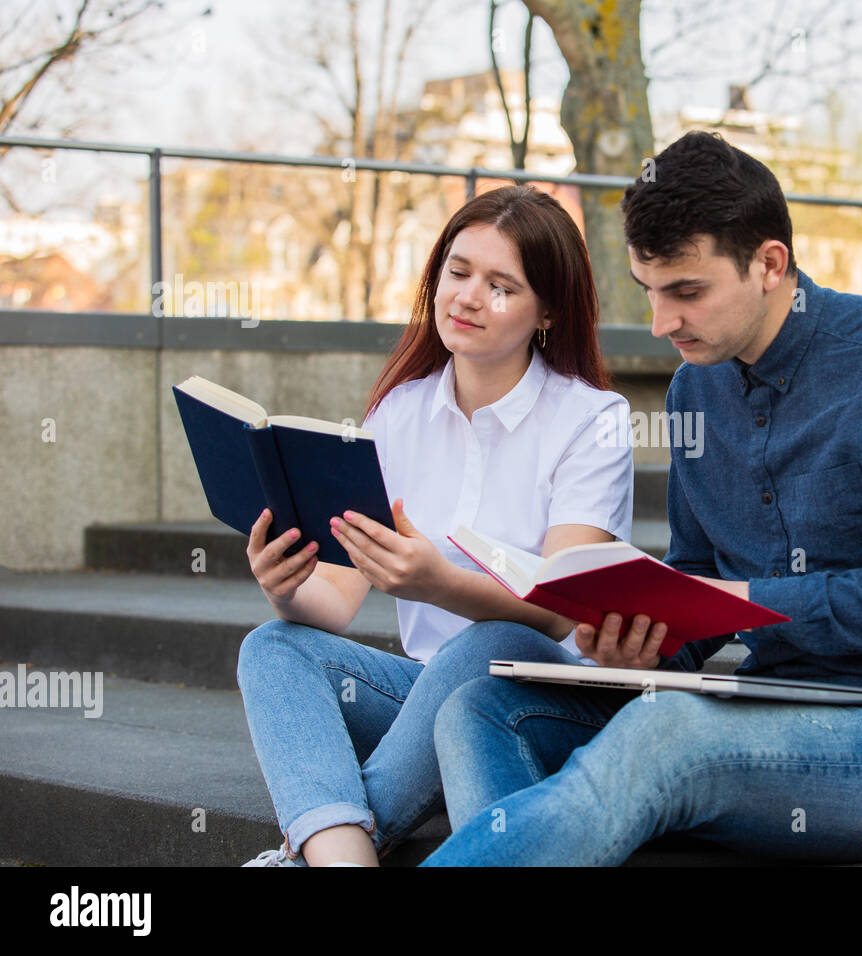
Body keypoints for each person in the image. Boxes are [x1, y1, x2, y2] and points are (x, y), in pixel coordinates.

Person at [418, 131, 862, 866]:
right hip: (758, 716)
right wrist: (643, 639)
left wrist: (754, 598)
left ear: (770, 264)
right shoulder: (694, 390)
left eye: (687, 292)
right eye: (649, 290)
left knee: (667, 734)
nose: (661, 323)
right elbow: (697, 577)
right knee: (479, 708)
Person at [236, 184, 633, 866]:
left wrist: (439, 583)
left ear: (547, 312)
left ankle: (320, 847)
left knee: (490, 640)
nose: (469, 297)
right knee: (273, 647)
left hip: (536, 697)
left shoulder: (591, 419)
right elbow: (335, 598)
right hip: (421, 699)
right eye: (458, 272)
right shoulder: (399, 413)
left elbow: (558, 615)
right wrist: (285, 584)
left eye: (501, 286)